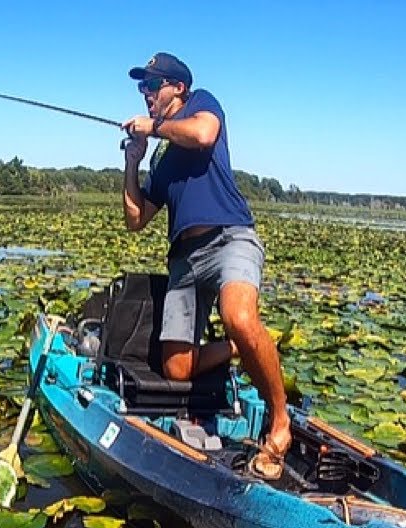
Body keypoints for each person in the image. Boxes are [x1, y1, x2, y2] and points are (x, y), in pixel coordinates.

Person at [121, 52, 291, 480]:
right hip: (184, 259)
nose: (145, 95)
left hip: (229, 236)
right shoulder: (160, 158)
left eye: (152, 86)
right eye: (142, 87)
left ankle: (281, 422)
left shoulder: (202, 104)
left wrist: (155, 127)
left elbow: (203, 135)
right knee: (176, 369)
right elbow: (136, 220)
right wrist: (133, 162)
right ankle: (241, 347)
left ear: (177, 88)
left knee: (237, 315)